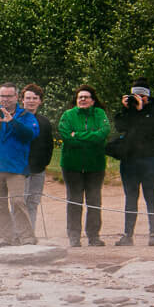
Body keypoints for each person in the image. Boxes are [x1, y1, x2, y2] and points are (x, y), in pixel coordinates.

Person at [0, 84, 40, 246]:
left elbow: (30, 135)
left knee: (18, 202)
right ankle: (7, 239)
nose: (5, 99)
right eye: (2, 96)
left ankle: (27, 239)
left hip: (15, 167)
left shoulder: (26, 116)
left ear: (17, 97)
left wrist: (12, 122)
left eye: (9, 96)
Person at [58, 87, 112, 246]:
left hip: (95, 166)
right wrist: (90, 137)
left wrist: (79, 135)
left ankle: (94, 236)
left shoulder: (100, 114)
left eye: (86, 97)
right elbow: (67, 137)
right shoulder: (68, 115)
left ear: (93, 100)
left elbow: (103, 133)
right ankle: (74, 236)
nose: (82, 99)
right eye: (80, 97)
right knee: (74, 201)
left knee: (94, 201)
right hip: (71, 166)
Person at [115, 82, 154, 247]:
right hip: (130, 160)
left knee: (151, 196)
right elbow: (120, 127)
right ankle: (128, 235)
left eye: (142, 96)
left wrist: (142, 111)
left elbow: (151, 129)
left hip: (151, 160)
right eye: (136, 96)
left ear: (147, 96)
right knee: (131, 197)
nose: (139, 99)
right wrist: (127, 109)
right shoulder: (128, 110)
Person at [20, 86, 54, 245]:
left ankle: (30, 235)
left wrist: (44, 163)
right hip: (20, 170)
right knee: (20, 203)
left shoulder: (44, 122)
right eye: (28, 98)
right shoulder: (16, 119)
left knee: (33, 203)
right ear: (22, 100)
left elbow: (49, 146)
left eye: (35, 98)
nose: (31, 101)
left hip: (38, 170)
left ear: (40, 101)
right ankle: (18, 235)